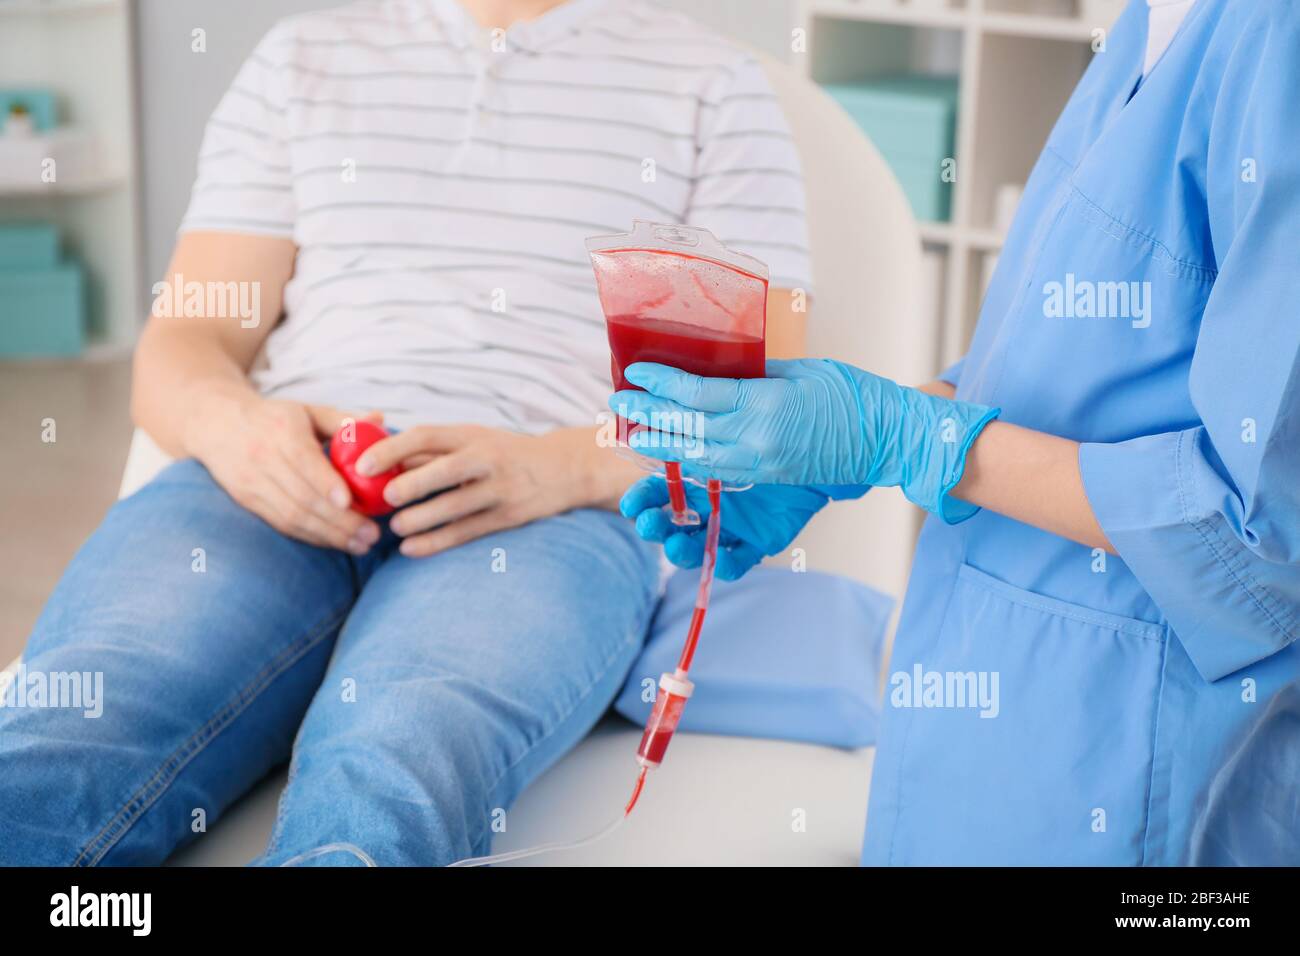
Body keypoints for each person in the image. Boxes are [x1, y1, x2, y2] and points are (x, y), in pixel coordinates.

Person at [0, 0, 812, 866]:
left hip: (551, 510)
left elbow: (760, 406)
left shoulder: (712, 87)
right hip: (270, 481)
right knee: (77, 729)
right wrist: (237, 429)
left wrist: (562, 467)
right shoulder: (301, 57)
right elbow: (182, 346)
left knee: (394, 759)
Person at [614, 0, 1300, 865]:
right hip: (992, 722)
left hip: (1135, 752)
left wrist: (901, 437)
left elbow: (1263, 539)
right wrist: (840, 457)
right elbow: (1060, 366)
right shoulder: (1153, 24)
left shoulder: (1277, 39)